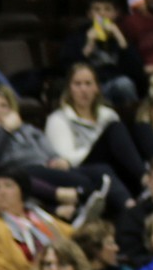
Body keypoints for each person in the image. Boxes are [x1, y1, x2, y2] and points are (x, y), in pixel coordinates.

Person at [0, 85, 102, 224]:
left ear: (12, 109)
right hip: (21, 171)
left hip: (44, 168)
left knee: (98, 173)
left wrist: (57, 159)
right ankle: (79, 208)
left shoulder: (27, 129)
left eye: (3, 106)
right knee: (83, 183)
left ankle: (90, 209)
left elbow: (48, 149)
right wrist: (6, 131)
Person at [45, 62, 147, 216]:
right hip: (83, 169)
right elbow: (67, 158)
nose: (83, 89)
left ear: (97, 88)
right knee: (113, 133)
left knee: (141, 128)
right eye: (77, 84)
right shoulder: (58, 119)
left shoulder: (108, 115)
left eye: (88, 84)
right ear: (69, 89)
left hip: (113, 170)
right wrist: (99, 146)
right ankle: (139, 190)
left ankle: (151, 179)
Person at [58, 0, 140, 112]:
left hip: (116, 84)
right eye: (97, 9)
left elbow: (137, 73)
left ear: (115, 14)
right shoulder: (77, 36)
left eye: (107, 9)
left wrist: (121, 41)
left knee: (124, 84)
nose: (102, 14)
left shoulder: (123, 36)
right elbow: (66, 69)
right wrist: (88, 46)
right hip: (87, 86)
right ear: (89, 14)